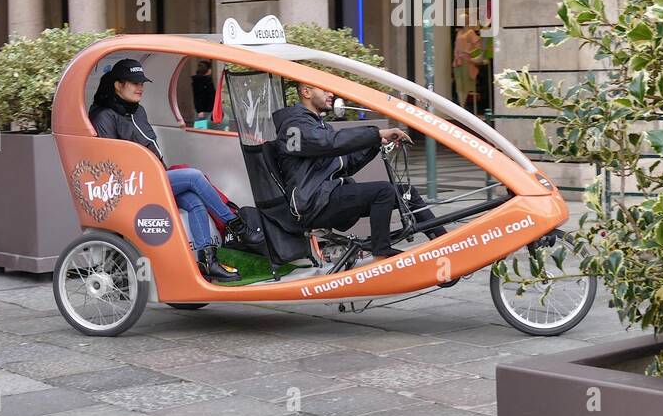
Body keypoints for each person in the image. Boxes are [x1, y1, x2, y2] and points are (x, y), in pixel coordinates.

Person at [89, 59, 250, 284]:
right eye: (134, 83)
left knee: (194, 201)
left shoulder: (138, 111)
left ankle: (207, 260)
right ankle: (236, 225)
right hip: (134, 183)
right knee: (194, 176)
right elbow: (110, 161)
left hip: (155, 177)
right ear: (117, 85)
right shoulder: (104, 116)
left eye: (142, 83)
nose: (140, 87)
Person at [272, 84, 442, 259]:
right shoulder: (294, 125)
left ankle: (444, 243)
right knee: (383, 191)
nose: (331, 93)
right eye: (324, 90)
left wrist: (376, 142)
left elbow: (347, 164)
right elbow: (327, 142)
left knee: (406, 193)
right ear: (306, 92)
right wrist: (375, 133)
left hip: (327, 194)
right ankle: (381, 252)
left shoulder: (317, 125)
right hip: (313, 202)